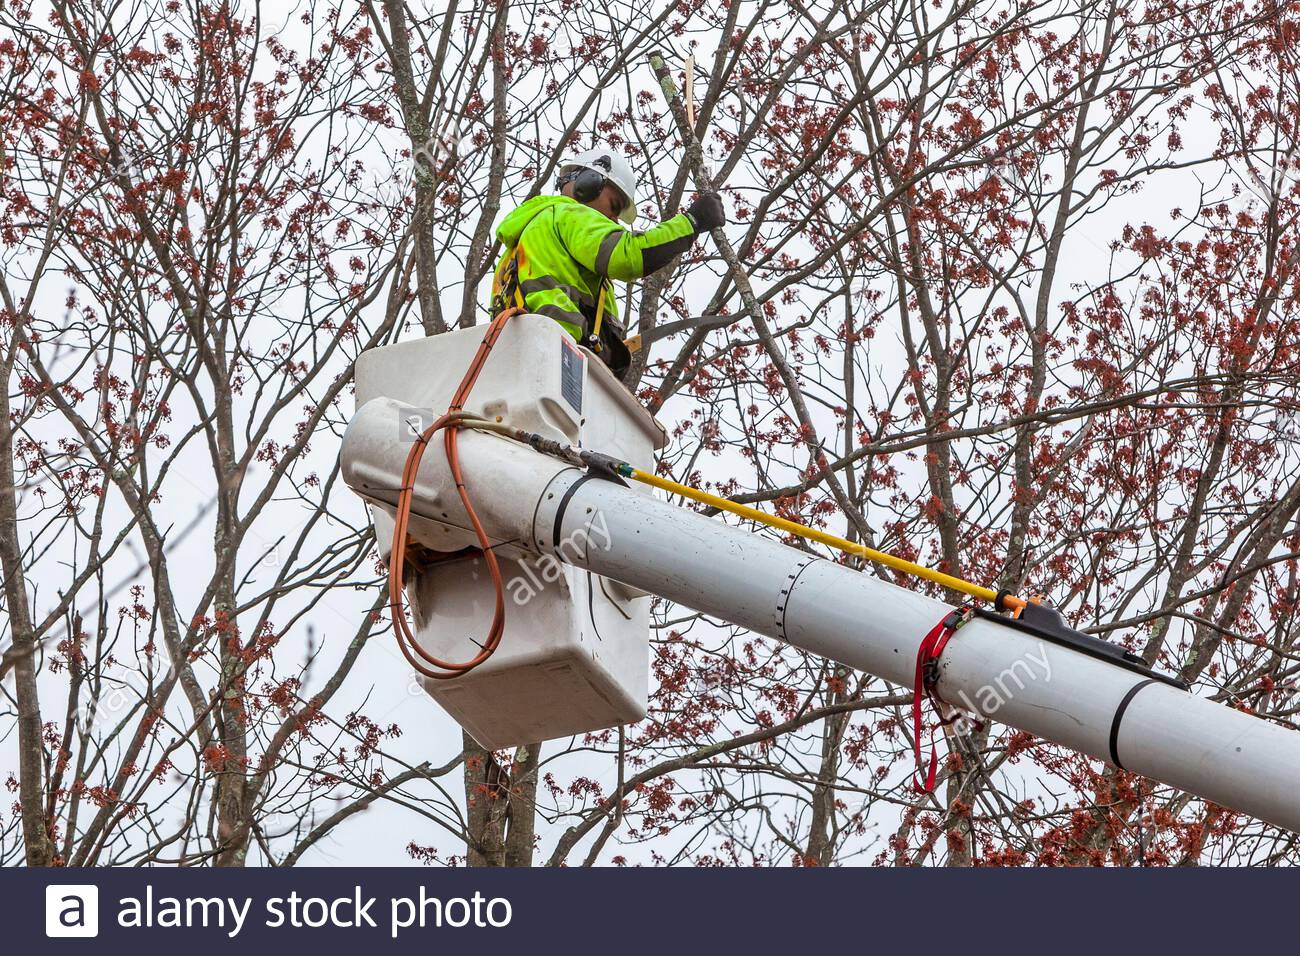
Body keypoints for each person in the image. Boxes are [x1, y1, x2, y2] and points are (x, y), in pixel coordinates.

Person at [491, 148, 725, 380]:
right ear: (587, 185)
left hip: (524, 357)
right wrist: (693, 221)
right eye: (614, 206)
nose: (614, 220)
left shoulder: (530, 241)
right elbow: (627, 255)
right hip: (558, 353)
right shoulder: (570, 214)